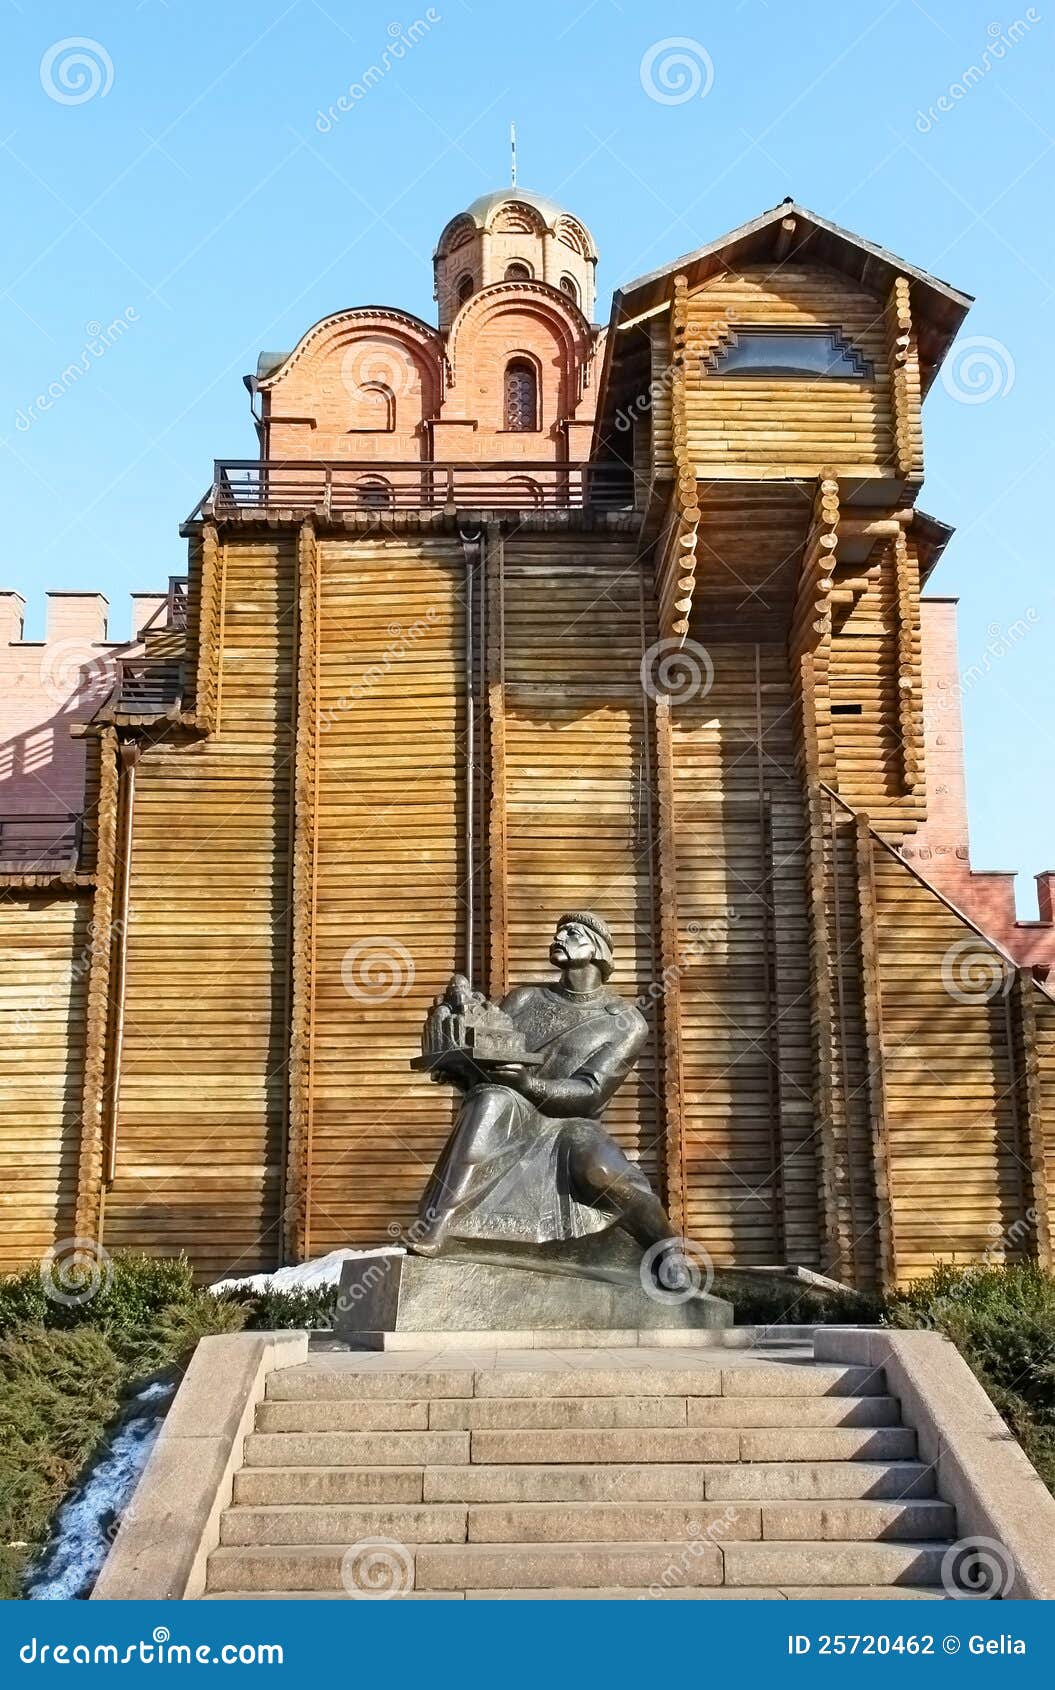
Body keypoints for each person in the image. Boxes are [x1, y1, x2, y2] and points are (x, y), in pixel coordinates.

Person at [411, 911, 688, 1286]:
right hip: (514, 1107)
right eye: (559, 931)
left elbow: (591, 1092)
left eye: (573, 933)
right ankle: (438, 1226)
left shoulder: (623, 1021)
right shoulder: (524, 999)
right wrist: (458, 1067)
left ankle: (666, 1245)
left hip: (572, 1123)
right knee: (489, 1101)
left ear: (598, 950)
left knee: (600, 1173)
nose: (559, 937)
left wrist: (530, 1084)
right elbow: (492, 1051)